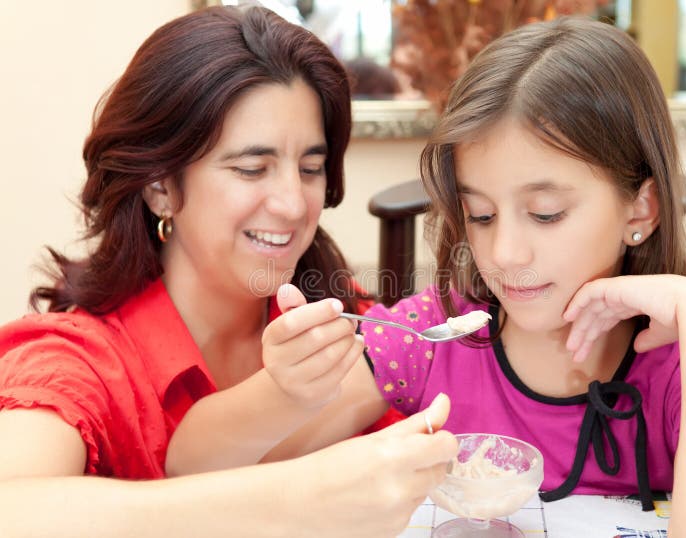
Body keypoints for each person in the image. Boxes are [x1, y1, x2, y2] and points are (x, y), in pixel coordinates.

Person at [166, 17, 686, 536]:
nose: (505, 252)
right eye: (481, 214)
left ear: (640, 208)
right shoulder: (433, 336)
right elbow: (193, 469)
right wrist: (283, 391)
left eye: (546, 213)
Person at [0, 5, 458, 537]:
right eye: (250, 168)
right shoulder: (81, 363)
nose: (292, 204)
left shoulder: (342, 321)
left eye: (310, 168)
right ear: (159, 187)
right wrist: (296, 499)